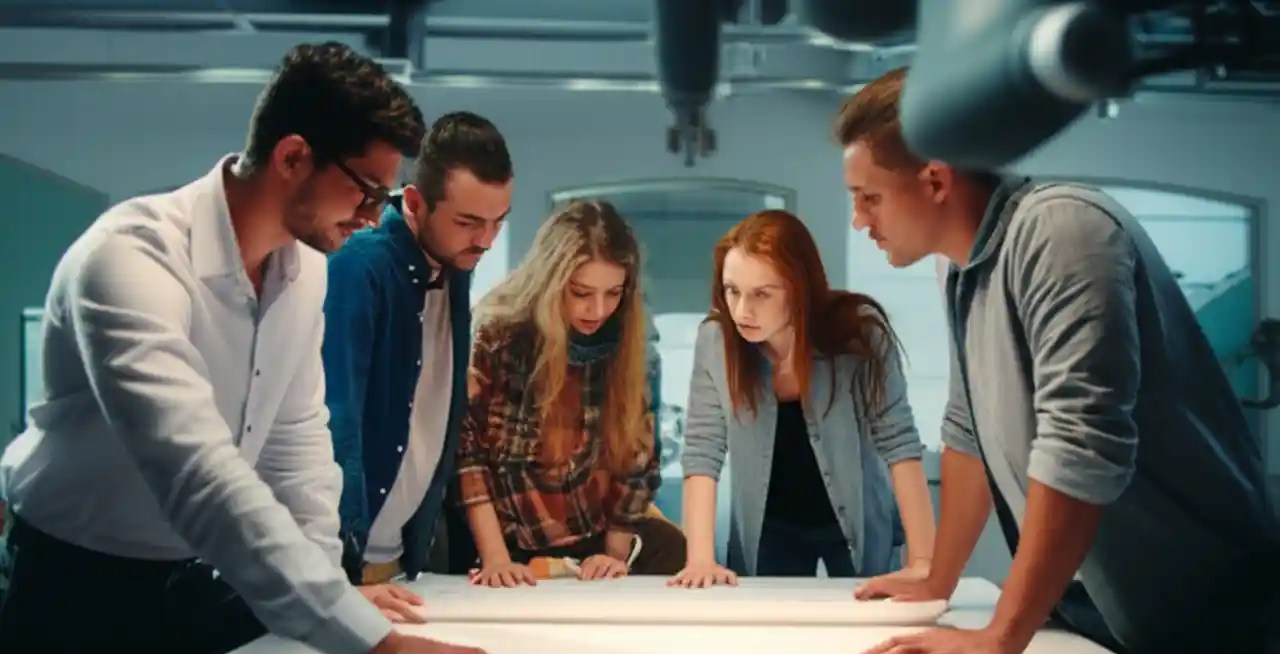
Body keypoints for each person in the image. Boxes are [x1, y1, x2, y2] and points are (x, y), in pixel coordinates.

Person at [0, 43, 514, 654]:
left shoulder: (303, 272)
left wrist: (331, 586)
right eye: (364, 190)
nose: (372, 215)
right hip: (74, 591)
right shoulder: (129, 260)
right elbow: (198, 474)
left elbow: (298, 448)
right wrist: (359, 638)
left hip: (195, 585)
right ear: (293, 157)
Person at [841, 67, 1279, 654]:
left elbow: (1081, 441)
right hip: (1094, 604)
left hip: (1204, 606)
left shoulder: (1062, 231)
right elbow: (968, 426)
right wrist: (938, 575)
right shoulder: (958, 267)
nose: (858, 220)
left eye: (868, 197)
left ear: (934, 180)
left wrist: (1001, 635)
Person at [669, 210, 936, 588]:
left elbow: (900, 445)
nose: (743, 310)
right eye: (732, 290)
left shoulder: (858, 335)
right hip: (768, 524)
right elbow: (702, 450)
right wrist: (699, 560)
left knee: (868, 626)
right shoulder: (717, 341)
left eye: (762, 294)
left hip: (857, 518)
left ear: (798, 287)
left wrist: (924, 560)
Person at [323, 111, 513, 604]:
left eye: (498, 222)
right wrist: (339, 566)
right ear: (413, 202)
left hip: (404, 561)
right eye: (469, 222)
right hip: (345, 564)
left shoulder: (455, 266)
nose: (486, 240)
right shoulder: (359, 265)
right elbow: (335, 422)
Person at [458, 200, 687, 587]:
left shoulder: (634, 345)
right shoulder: (498, 335)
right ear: (551, 282)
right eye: (581, 292)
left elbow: (638, 463)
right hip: (511, 541)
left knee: (672, 550)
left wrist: (612, 557)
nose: (598, 310)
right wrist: (495, 559)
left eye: (613, 293)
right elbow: (469, 458)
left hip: (597, 535)